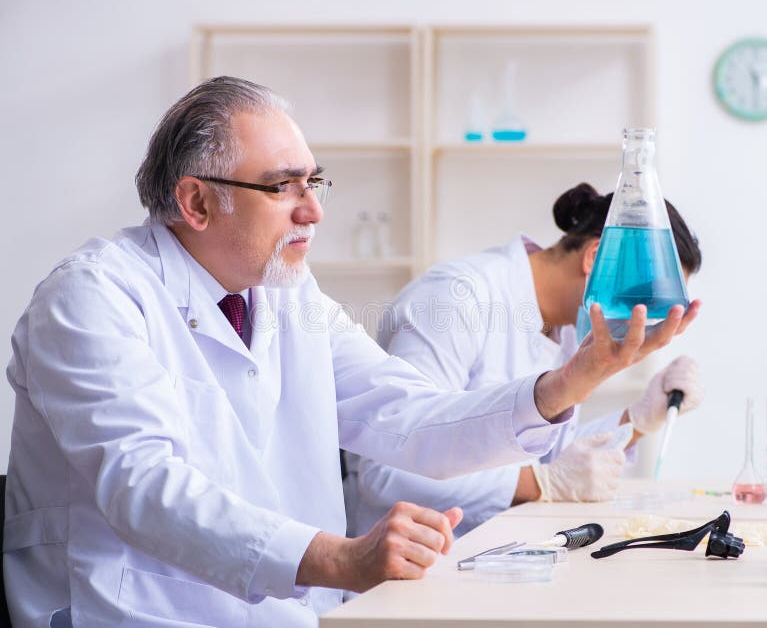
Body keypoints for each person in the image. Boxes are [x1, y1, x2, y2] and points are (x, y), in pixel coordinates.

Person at [4, 78, 699, 628]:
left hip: (287, 610)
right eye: (283, 187)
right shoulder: (91, 298)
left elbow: (404, 415)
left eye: (315, 181)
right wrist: (338, 557)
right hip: (133, 613)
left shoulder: (285, 292)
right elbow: (145, 488)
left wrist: (566, 383)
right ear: (196, 201)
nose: (314, 210)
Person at [347, 183, 704, 539]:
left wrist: (638, 419)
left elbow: (552, 461)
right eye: (643, 302)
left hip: (499, 557)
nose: (641, 322)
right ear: (595, 258)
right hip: (407, 571)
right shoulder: (455, 298)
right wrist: (540, 484)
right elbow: (388, 471)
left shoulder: (563, 326)